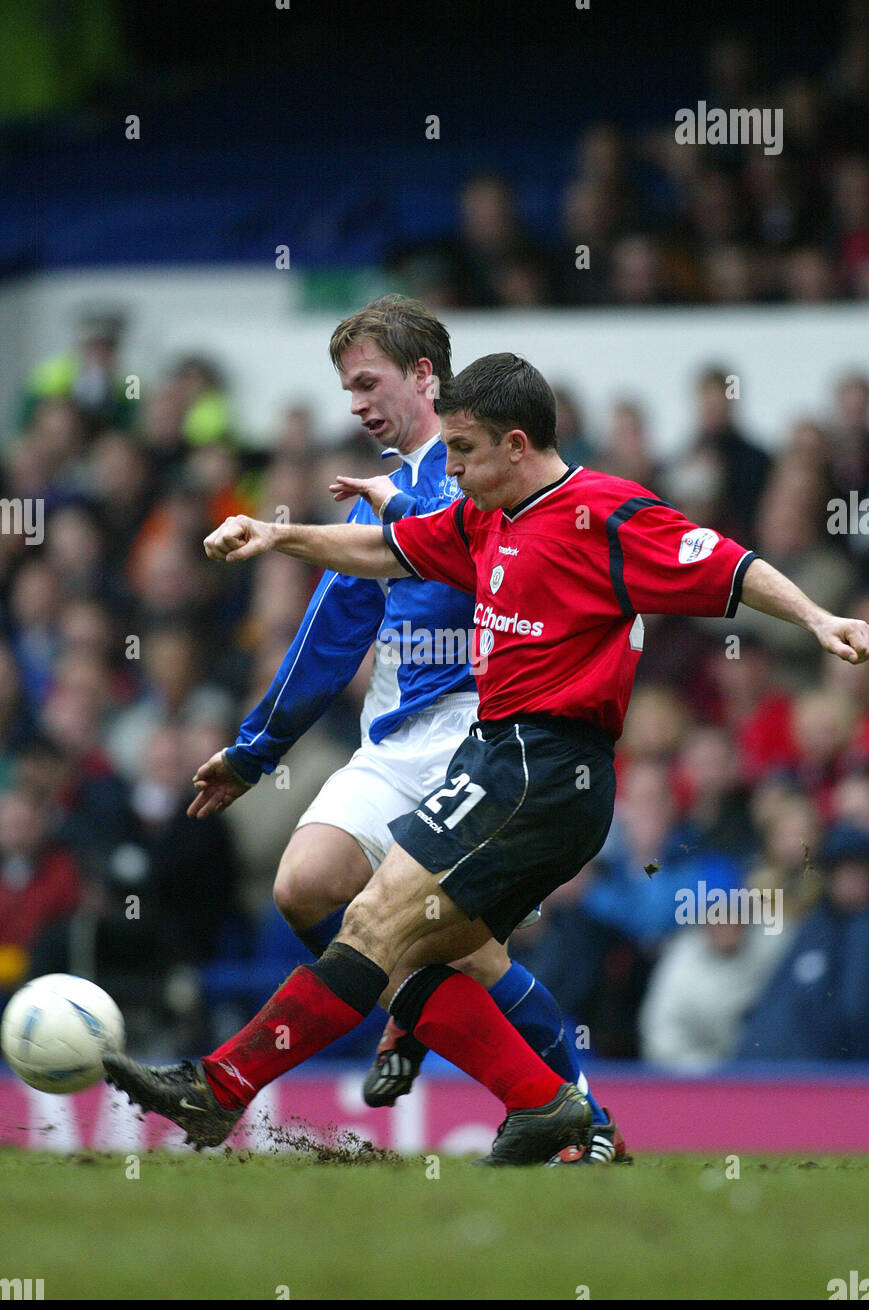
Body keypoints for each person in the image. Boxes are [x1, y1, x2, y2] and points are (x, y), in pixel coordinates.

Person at [104, 352, 869, 1166]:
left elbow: (724, 562)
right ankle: (550, 1106)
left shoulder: (601, 512)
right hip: (505, 766)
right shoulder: (485, 517)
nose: (452, 468)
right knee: (422, 950)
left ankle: (219, 1089)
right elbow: (387, 550)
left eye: (462, 451)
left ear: (513, 443)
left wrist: (819, 618)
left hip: (541, 769)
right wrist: (277, 534)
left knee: (369, 922)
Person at [179, 298, 622, 1158]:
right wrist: (251, 750)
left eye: (366, 383)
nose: (355, 404)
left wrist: (392, 506)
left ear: (425, 376)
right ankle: (430, 1026)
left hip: (481, 735)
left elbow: (504, 545)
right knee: (306, 889)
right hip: (389, 743)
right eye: (346, 389)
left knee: (465, 949)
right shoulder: (374, 509)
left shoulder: (491, 479)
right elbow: (326, 639)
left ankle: (577, 1117)